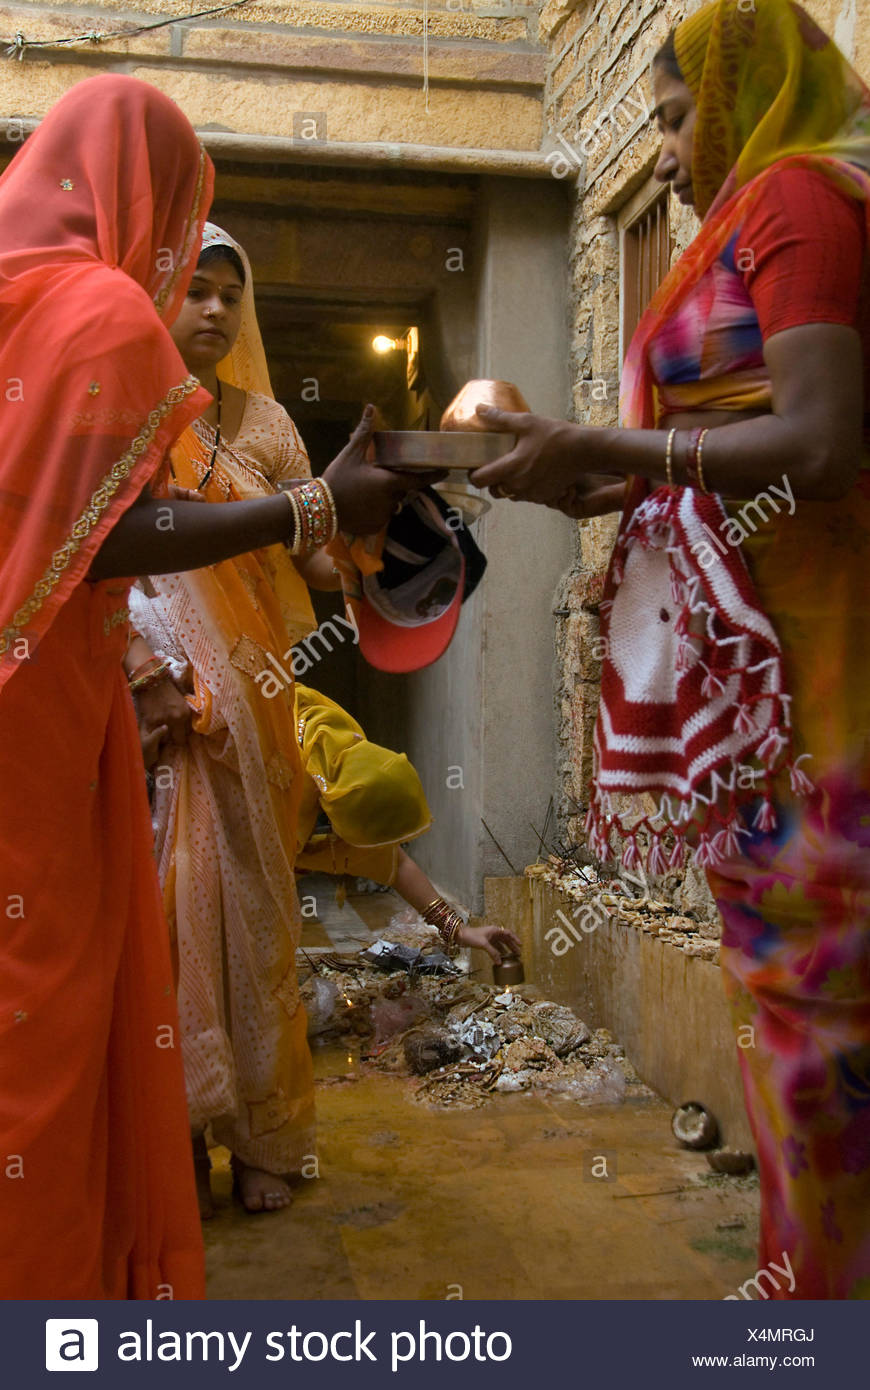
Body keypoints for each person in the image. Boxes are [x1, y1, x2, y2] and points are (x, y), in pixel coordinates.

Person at [469, 0, 870, 1299]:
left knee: (825, 981)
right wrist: (558, 470)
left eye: (677, 118)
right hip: (747, 678)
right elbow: (690, 451)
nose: (672, 151)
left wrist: (616, 455)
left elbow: (812, 445)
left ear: (745, 95)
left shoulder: (802, 197)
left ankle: (822, 1293)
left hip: (820, 669)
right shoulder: (736, 223)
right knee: (787, 976)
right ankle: (800, 1262)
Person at [0, 77, 423, 1299]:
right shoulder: (101, 315)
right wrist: (318, 502)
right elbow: (119, 532)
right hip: (56, 713)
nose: (193, 273)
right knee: (50, 1004)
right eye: (189, 230)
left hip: (126, 693)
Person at [128, 225, 518, 1217]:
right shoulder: (125, 416)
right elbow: (97, 564)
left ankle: (265, 1135)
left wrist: (393, 537)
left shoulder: (264, 429)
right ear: (155, 295)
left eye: (230, 293)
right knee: (164, 926)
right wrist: (139, 670)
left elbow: (312, 552)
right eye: (195, 290)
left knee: (258, 924)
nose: (214, 309)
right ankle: (171, 1133)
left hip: (258, 701)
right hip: (155, 707)